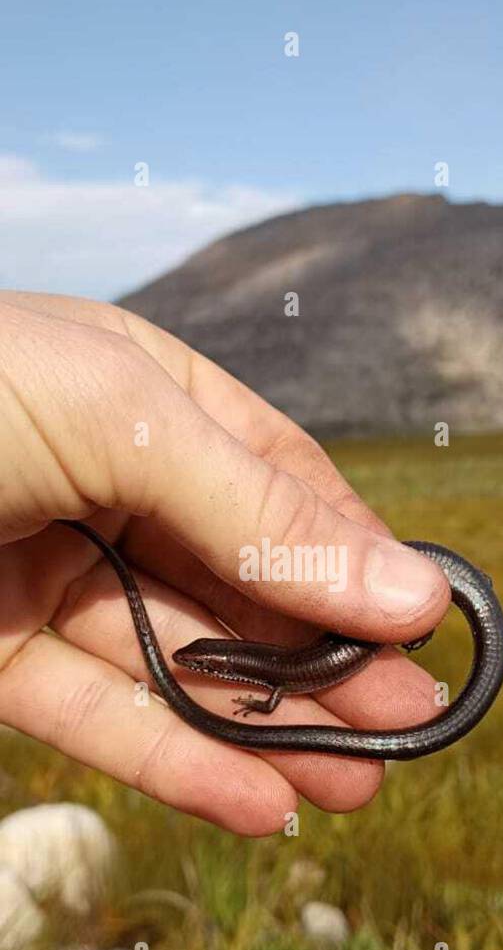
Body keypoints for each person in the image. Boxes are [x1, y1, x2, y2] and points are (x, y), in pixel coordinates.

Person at [0, 292, 450, 835]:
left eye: (206, 665)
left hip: (388, 601)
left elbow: (275, 691)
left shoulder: (268, 669)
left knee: (388, 645)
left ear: (229, 661)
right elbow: (275, 687)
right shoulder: (269, 667)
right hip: (350, 632)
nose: (200, 664)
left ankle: (414, 618)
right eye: (205, 665)